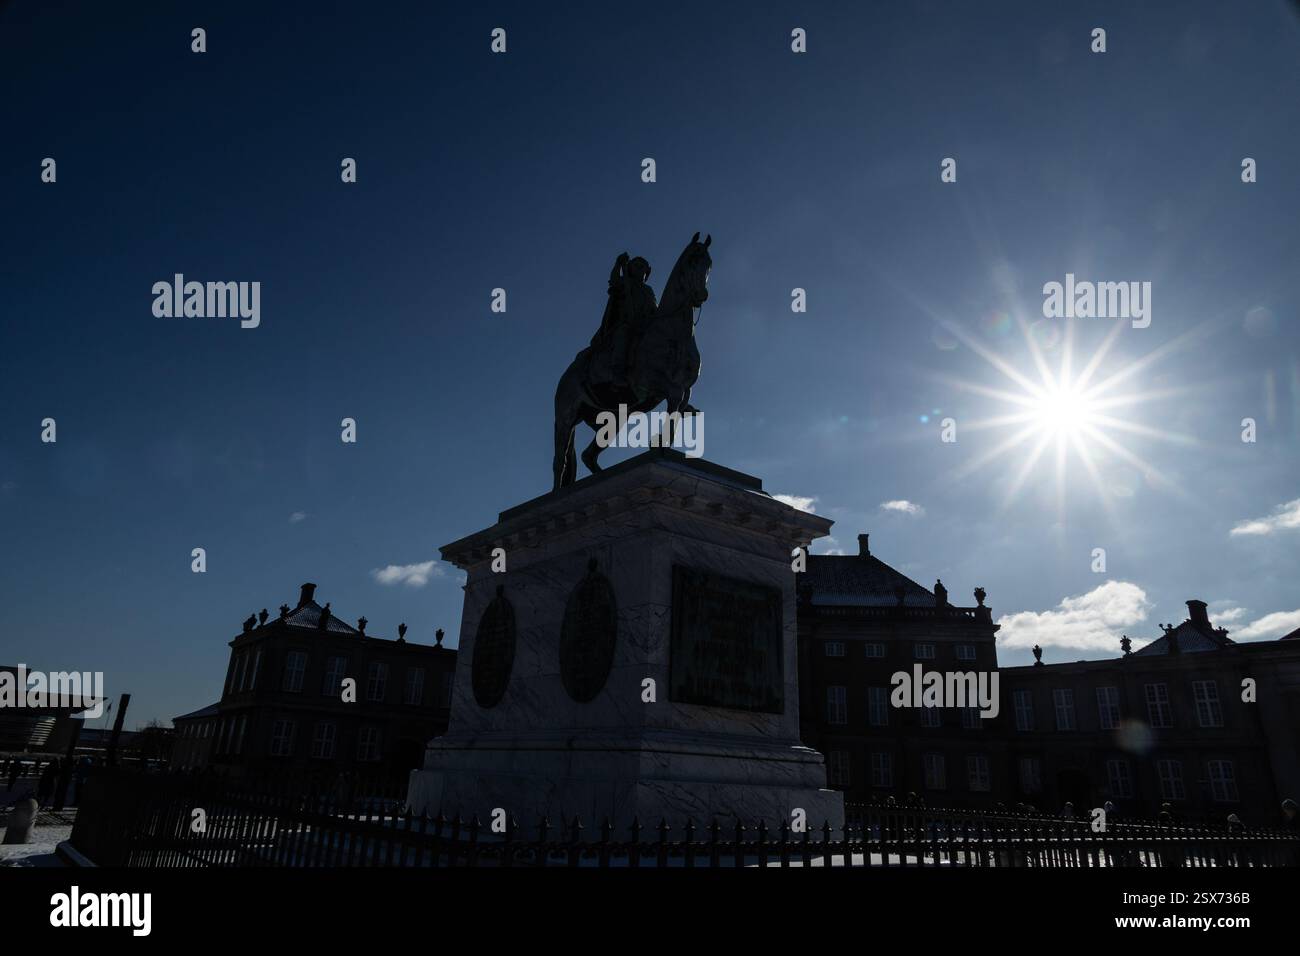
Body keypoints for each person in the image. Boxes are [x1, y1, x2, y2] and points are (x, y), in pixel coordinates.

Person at [591, 252, 657, 387]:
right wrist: (618, 264)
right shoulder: (625, 282)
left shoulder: (648, 290)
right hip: (625, 323)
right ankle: (618, 371)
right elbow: (614, 281)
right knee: (624, 334)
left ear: (647, 272)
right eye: (636, 266)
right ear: (630, 269)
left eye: (642, 267)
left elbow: (654, 308)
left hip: (644, 325)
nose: (639, 269)